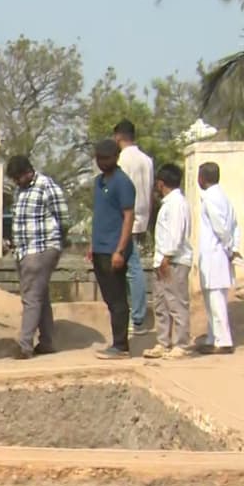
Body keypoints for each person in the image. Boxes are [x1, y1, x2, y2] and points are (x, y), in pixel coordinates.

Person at [6, 155, 68, 360]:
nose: (16, 182)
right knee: (40, 295)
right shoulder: (19, 190)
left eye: (18, 178)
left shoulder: (46, 186)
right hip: (24, 249)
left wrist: (58, 244)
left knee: (31, 296)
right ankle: (47, 341)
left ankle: (25, 345)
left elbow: (63, 218)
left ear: (27, 172)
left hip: (42, 248)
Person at [89, 138, 137, 360]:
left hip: (114, 250)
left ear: (115, 158)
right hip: (100, 248)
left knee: (118, 299)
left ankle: (121, 345)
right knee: (109, 298)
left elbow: (128, 217)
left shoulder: (122, 182)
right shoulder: (98, 182)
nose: (101, 162)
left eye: (105, 158)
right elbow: (99, 216)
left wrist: (120, 249)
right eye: (99, 158)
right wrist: (93, 244)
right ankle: (117, 342)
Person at [144, 163, 193, 359]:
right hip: (162, 260)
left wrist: (167, 257)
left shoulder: (177, 204)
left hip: (173, 260)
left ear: (161, 183)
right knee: (161, 303)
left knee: (177, 303)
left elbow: (175, 234)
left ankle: (181, 344)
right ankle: (163, 342)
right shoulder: (168, 203)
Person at [114, 120, 155, 335]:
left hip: (125, 220)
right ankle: (134, 315)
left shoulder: (122, 160)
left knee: (132, 269)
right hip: (142, 218)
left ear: (118, 137)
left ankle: (137, 318)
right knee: (131, 269)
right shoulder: (147, 161)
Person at [196, 162, 240, 355]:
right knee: (212, 300)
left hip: (215, 254)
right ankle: (213, 337)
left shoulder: (211, 199)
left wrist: (229, 246)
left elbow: (220, 227)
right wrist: (232, 246)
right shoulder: (223, 198)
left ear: (203, 178)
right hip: (217, 254)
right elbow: (235, 224)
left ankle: (223, 341)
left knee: (216, 300)